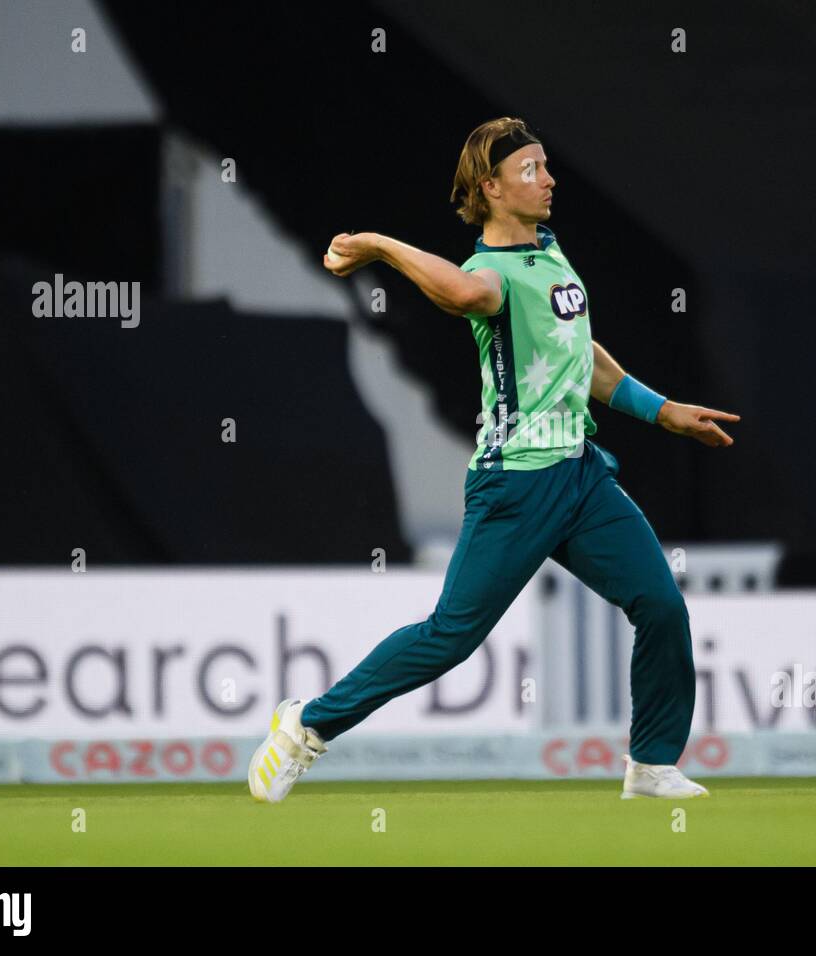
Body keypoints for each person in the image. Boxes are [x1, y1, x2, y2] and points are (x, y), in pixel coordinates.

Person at [248, 117, 739, 802]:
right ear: (492, 188)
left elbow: (582, 357)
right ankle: (305, 726)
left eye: (545, 165)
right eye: (532, 170)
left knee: (660, 606)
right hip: (516, 484)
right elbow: (463, 295)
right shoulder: (486, 270)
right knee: (449, 637)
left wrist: (664, 411)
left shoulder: (551, 253)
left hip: (580, 474)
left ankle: (651, 765)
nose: (549, 179)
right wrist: (383, 246)